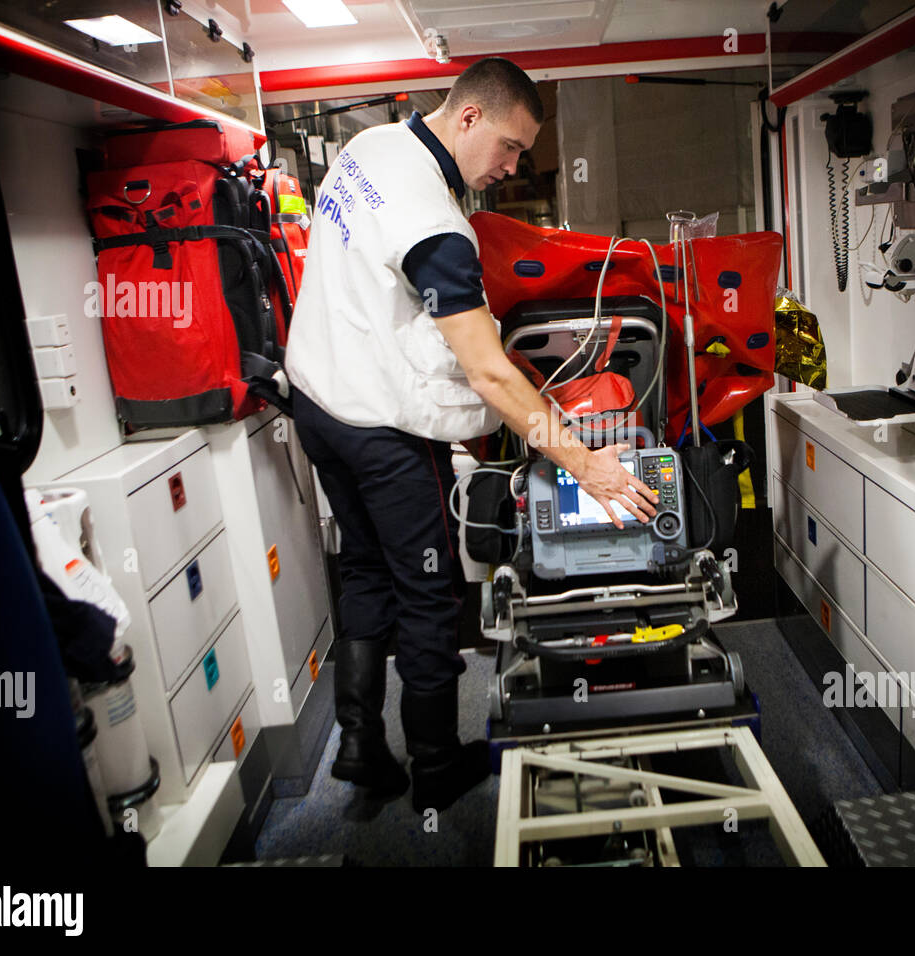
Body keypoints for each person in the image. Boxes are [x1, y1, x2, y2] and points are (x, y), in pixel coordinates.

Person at [285, 57, 658, 815]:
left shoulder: (370, 149)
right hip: (380, 429)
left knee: (362, 570)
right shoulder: (436, 224)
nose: (514, 166)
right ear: (467, 118)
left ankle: (359, 744)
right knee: (428, 595)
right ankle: (434, 764)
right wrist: (587, 465)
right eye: (510, 147)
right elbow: (489, 373)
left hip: (317, 402)